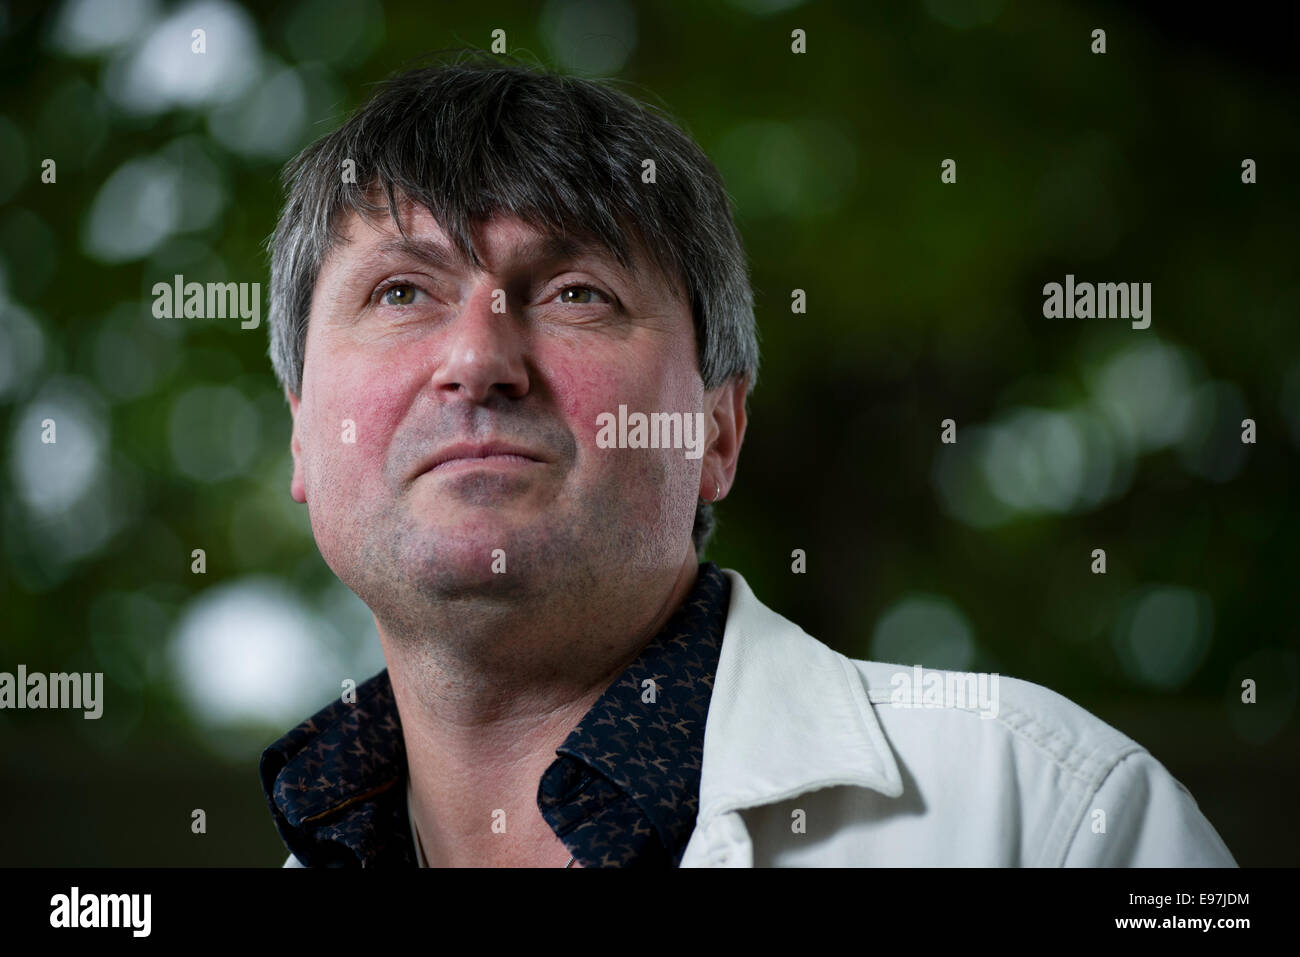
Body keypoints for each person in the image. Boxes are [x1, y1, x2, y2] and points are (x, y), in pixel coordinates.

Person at [258, 52, 1235, 868]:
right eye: (399, 293)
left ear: (718, 432)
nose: (478, 361)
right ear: (301, 430)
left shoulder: (1053, 818)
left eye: (576, 294)